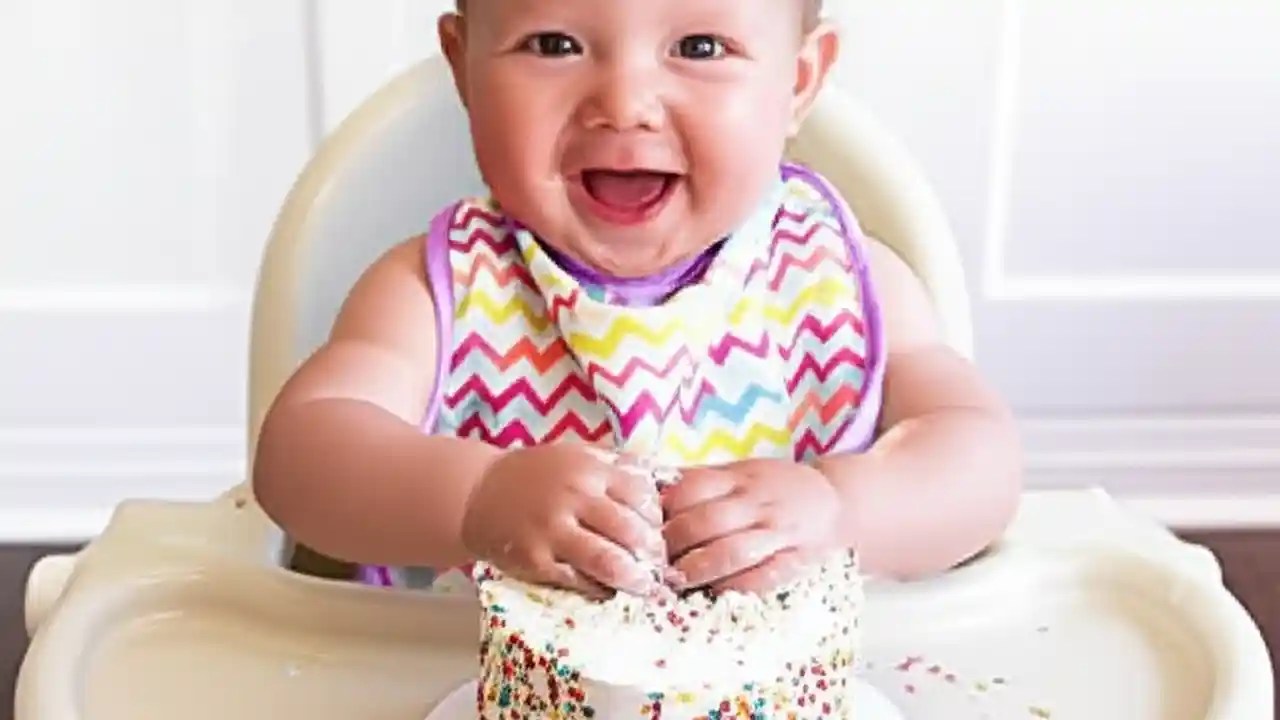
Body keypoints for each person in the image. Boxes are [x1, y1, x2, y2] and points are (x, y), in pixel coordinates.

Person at [252, 0, 1023, 600]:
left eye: (698, 47)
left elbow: (978, 457)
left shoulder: (840, 278)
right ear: (464, 67)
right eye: (554, 44)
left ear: (798, 80)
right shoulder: (438, 289)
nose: (623, 104)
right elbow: (302, 458)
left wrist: (843, 511)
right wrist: (476, 495)